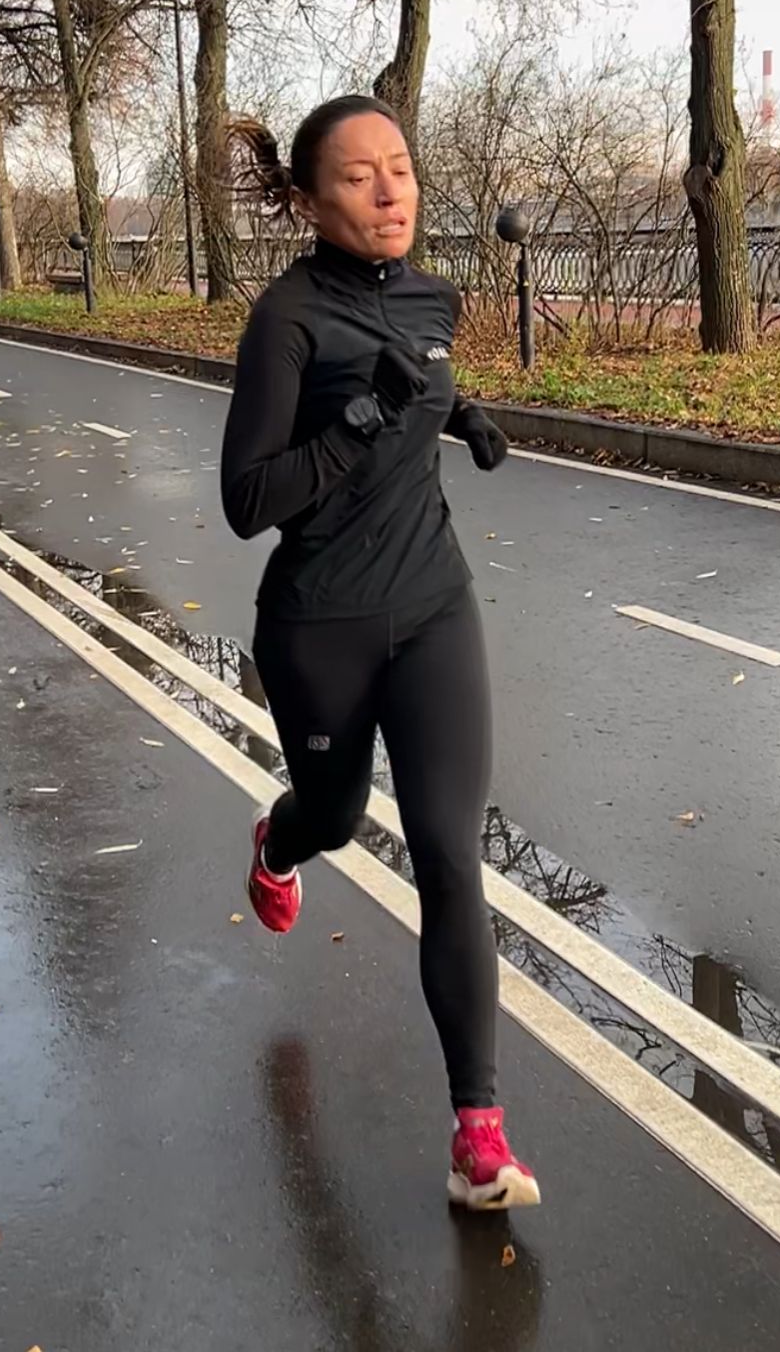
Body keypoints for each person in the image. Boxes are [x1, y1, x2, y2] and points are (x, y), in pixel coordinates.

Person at [220, 95, 540, 1212]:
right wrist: (362, 420)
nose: (389, 190)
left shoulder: (432, 296)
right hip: (321, 624)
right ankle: (277, 840)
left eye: (398, 166)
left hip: (433, 605)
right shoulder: (286, 320)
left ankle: (477, 1137)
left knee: (450, 852)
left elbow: (417, 376)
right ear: (311, 201)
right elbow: (248, 500)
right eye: (357, 177)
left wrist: (463, 414)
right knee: (337, 811)